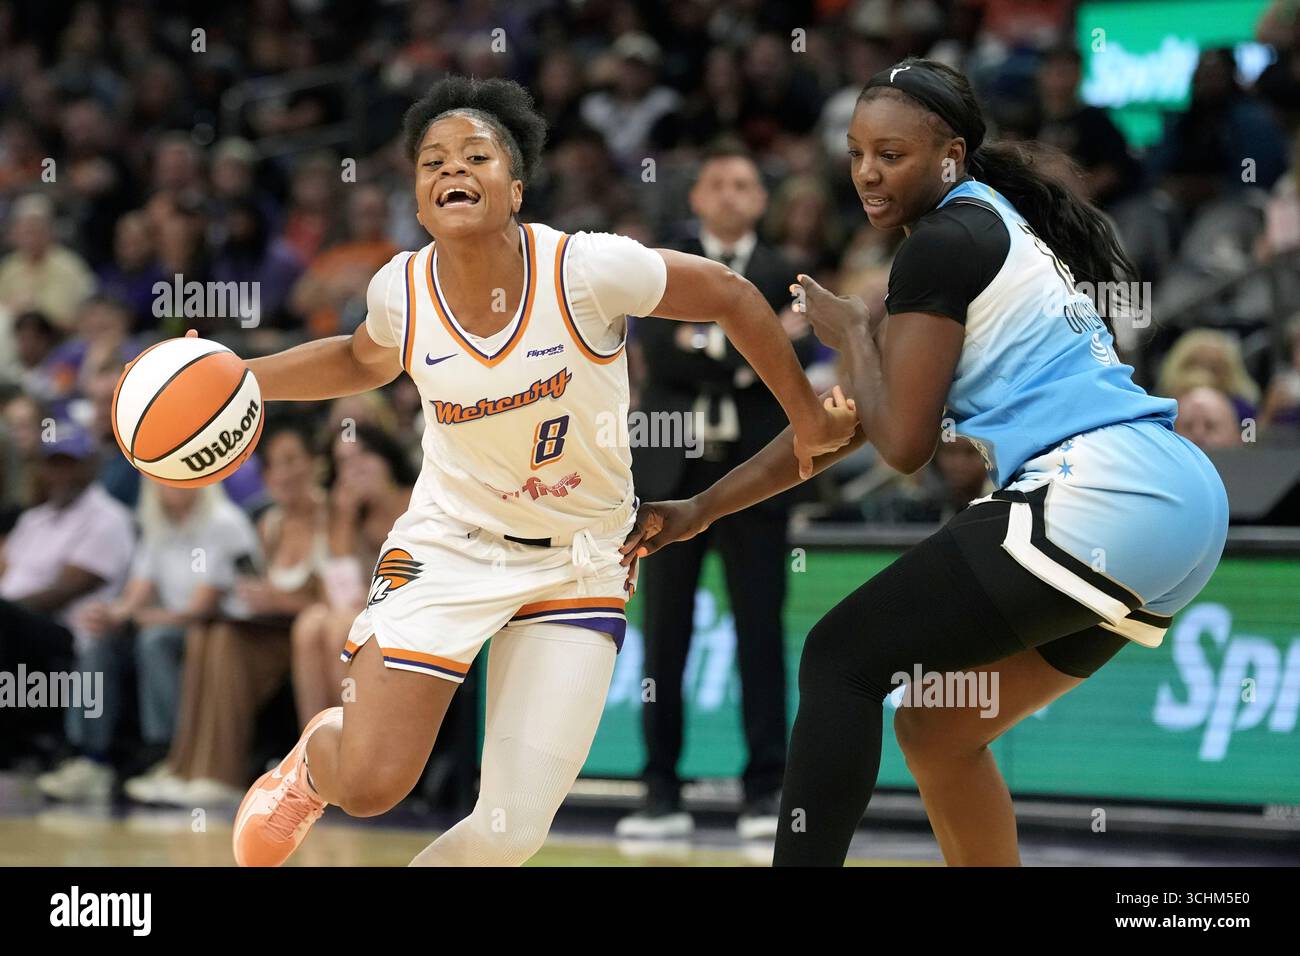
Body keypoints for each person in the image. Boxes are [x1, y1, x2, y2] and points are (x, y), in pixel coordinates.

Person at [226, 76, 853, 867]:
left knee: (510, 832)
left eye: (475, 155)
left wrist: (803, 413)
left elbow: (729, 293)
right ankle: (317, 760)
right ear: (420, 202)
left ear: (515, 187)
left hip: (581, 557)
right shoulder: (402, 291)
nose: (452, 168)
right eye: (432, 161)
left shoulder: (588, 269)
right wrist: (239, 374)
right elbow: (357, 359)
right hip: (451, 543)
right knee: (374, 783)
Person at [623, 58, 1229, 866]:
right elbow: (838, 431)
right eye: (856, 152)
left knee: (839, 658)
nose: (868, 174)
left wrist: (855, 336)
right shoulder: (981, 229)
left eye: (892, 155)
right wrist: (702, 509)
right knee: (938, 730)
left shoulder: (945, 241)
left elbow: (905, 446)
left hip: (1106, 489)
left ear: (950, 155)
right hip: (1177, 510)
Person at [619, 143, 814, 840]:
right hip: (673, 476)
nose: (730, 195)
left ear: (761, 199)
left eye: (744, 183)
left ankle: (766, 792)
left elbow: (798, 354)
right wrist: (748, 350)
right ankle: (659, 793)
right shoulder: (668, 268)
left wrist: (709, 345)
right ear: (697, 197)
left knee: (760, 634)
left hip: (758, 476)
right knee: (663, 636)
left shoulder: (781, 272)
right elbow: (663, 351)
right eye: (717, 184)